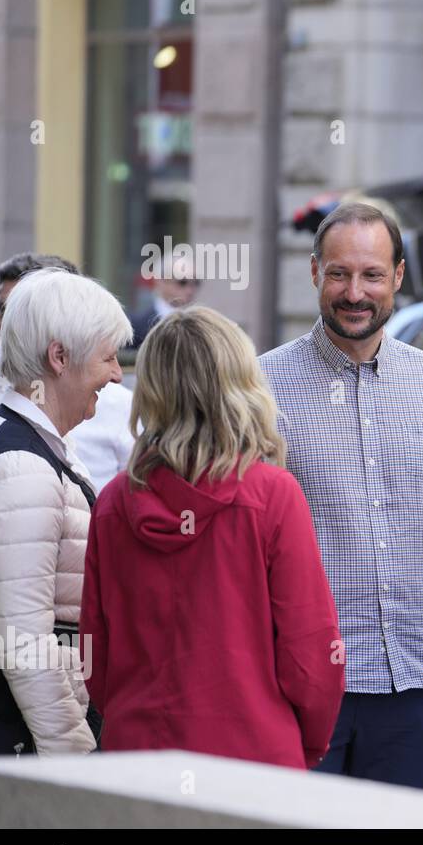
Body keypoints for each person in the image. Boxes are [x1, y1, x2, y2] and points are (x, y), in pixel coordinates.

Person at [259, 201, 423, 790]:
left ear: (397, 277)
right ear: (314, 273)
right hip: (300, 685)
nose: (354, 292)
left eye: (371, 275)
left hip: (418, 686)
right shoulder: (260, 388)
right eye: (339, 274)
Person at [80, 306, 344, 768]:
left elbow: (93, 650)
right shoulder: (272, 495)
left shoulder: (113, 503)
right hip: (254, 761)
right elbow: (312, 653)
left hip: (137, 758)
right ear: (240, 385)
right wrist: (306, 745)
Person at [0, 268, 130, 754]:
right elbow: (22, 640)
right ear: (59, 357)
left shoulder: (38, 451)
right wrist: (74, 761)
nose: (116, 374)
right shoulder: (24, 465)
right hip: (27, 742)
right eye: (108, 357)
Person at [0, 253, 134, 491]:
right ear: (59, 356)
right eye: (4, 309)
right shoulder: (22, 458)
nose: (5, 323)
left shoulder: (116, 405)